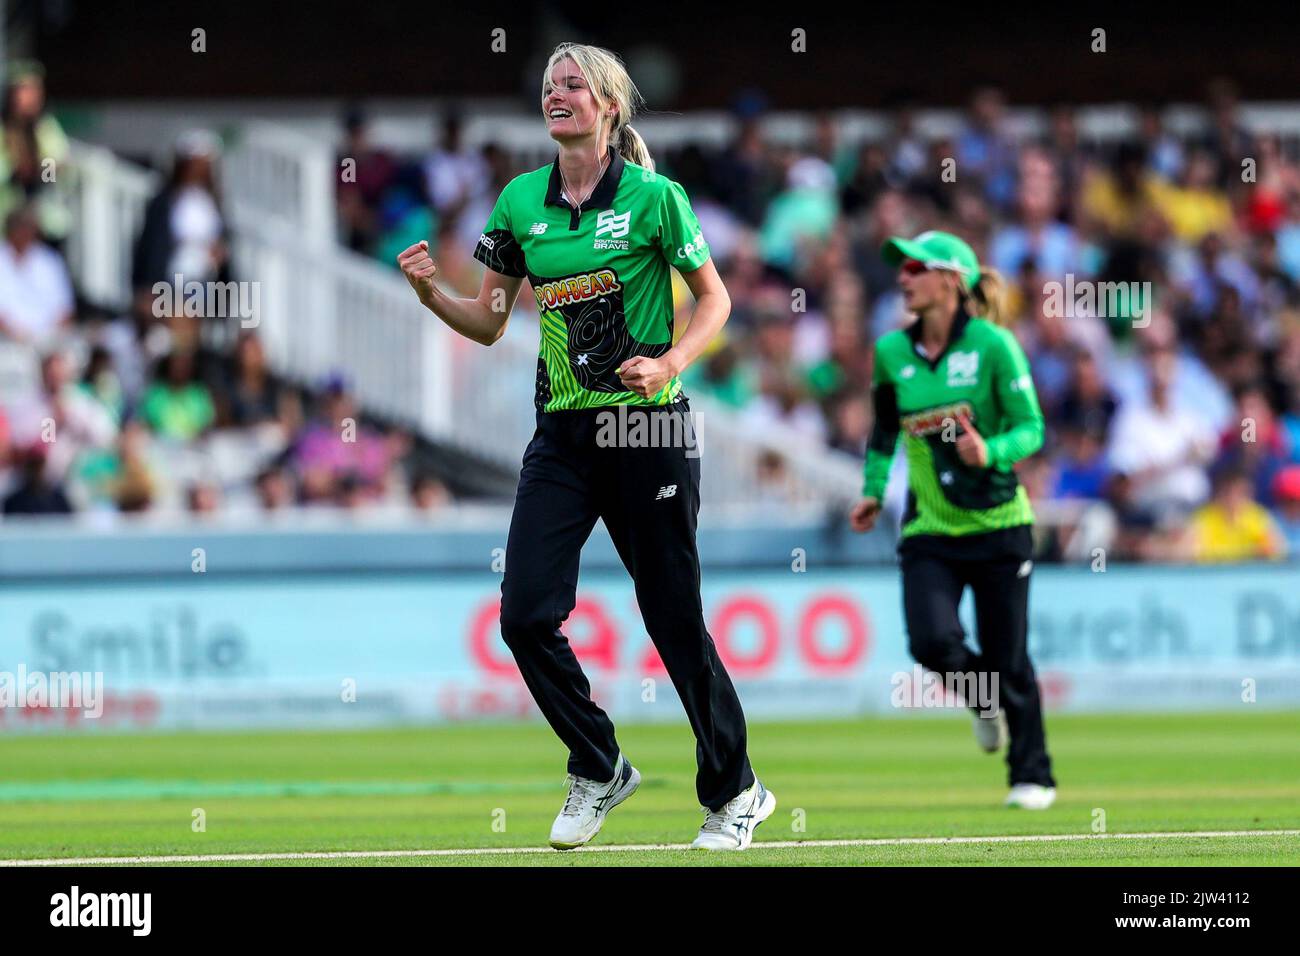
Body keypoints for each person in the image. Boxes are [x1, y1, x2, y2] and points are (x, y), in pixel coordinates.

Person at [396, 42, 772, 851]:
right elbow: (490, 322)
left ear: (608, 106)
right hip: (563, 435)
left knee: (672, 617)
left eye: (573, 85)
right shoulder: (518, 203)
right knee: (526, 614)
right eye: (548, 85)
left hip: (647, 428)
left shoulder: (654, 198)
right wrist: (431, 292)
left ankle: (735, 792)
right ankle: (599, 765)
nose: (556, 94)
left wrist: (671, 361)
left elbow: (716, 299)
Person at [848, 230, 1058, 810]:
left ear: (951, 281)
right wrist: (870, 492)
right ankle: (980, 698)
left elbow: (1032, 428)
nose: (902, 278)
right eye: (902, 268)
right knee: (931, 641)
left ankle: (1031, 775)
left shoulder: (994, 346)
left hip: (999, 525)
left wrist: (989, 450)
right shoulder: (891, 351)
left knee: (1008, 655)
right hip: (930, 529)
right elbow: (884, 430)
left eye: (916, 268)